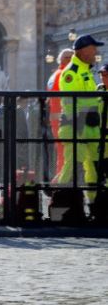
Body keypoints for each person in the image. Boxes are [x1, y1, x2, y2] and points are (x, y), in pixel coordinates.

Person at [55, 35, 105, 204]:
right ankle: (61, 203)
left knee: (95, 167)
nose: (96, 52)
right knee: (73, 165)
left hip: (90, 124)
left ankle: (95, 202)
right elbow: (72, 101)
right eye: (93, 48)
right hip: (76, 124)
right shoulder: (72, 72)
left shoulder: (86, 71)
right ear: (83, 51)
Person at [48, 48, 74, 180]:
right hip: (65, 119)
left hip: (56, 118)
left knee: (61, 153)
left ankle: (59, 181)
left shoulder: (54, 75)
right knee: (67, 154)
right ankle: (60, 183)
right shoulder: (65, 74)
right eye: (71, 57)